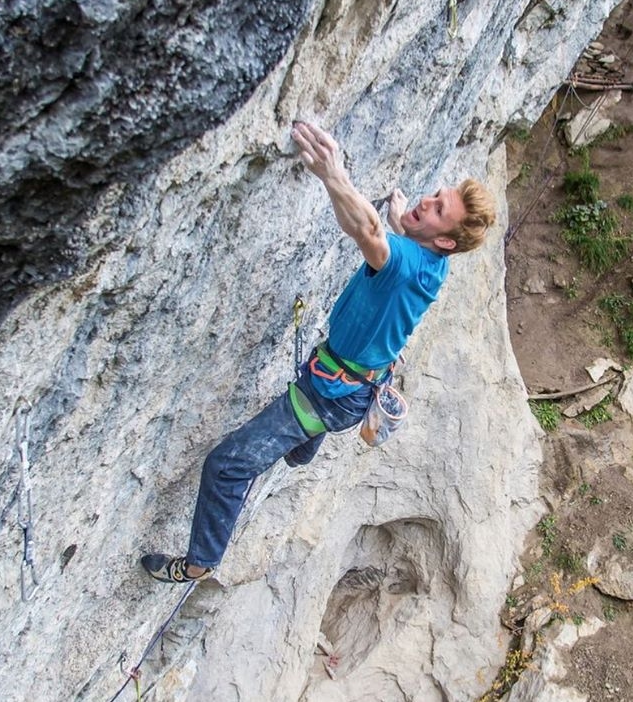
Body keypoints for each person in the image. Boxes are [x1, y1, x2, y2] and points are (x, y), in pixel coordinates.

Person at [142, 121, 496, 583]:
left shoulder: (406, 264)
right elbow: (398, 242)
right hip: (355, 383)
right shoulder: (432, 263)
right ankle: (302, 450)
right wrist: (405, 221)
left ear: (445, 240)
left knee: (226, 466)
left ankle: (198, 563)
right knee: (299, 436)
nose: (427, 201)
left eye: (437, 209)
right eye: (435, 194)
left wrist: (332, 173)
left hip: (327, 395)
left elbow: (367, 231)